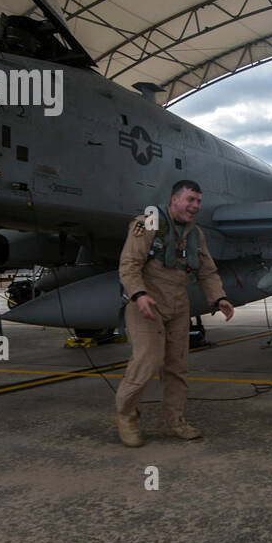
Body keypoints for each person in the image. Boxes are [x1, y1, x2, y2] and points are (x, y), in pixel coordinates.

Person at [115, 180, 235, 447]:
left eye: (198, 201)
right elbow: (128, 264)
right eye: (190, 199)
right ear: (174, 199)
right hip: (146, 304)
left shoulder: (195, 234)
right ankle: (127, 416)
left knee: (177, 366)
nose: (195, 206)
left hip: (179, 305)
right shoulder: (148, 222)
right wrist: (138, 294)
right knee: (148, 361)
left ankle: (174, 422)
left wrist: (219, 298)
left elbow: (207, 271)